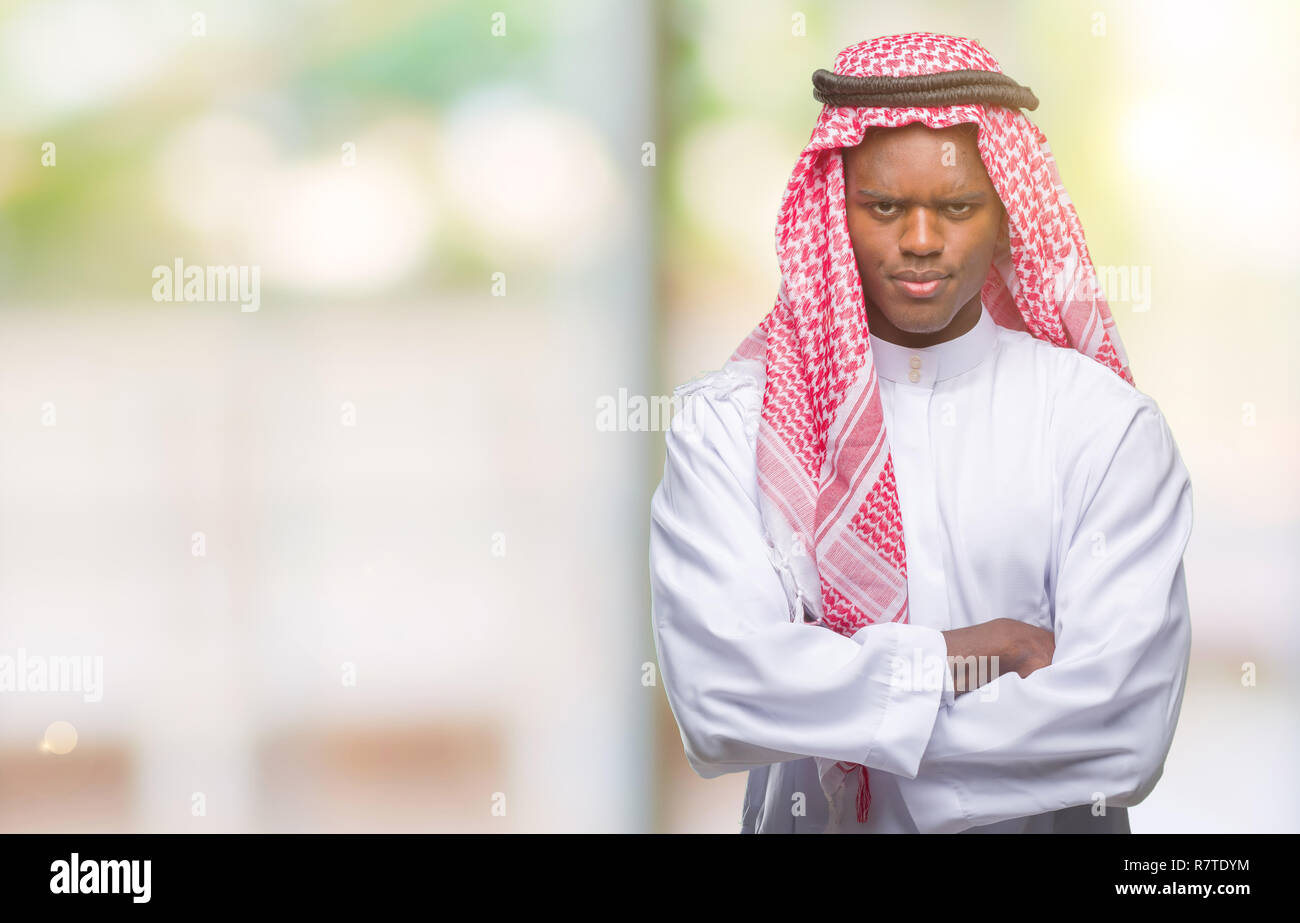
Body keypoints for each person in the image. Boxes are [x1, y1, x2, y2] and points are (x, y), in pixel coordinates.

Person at [647, 32, 1193, 833]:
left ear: (1006, 216)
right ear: (833, 214)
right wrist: (972, 653)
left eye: (957, 207)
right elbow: (718, 696)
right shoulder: (729, 425)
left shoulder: (1104, 428)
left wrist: (861, 726)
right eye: (884, 207)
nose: (922, 241)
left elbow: (1121, 728)